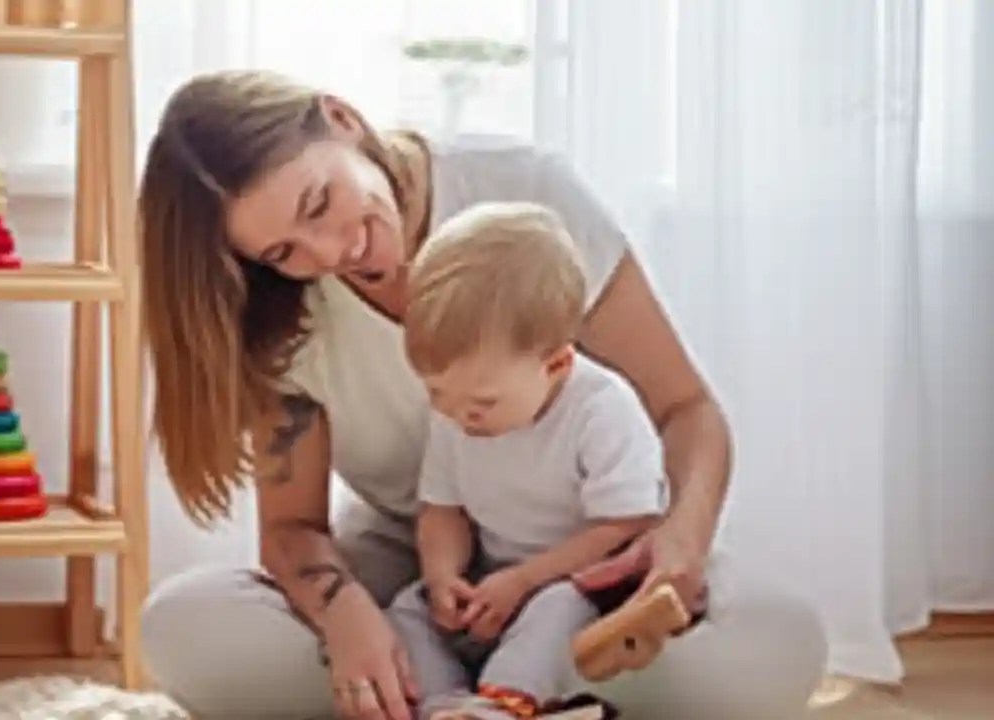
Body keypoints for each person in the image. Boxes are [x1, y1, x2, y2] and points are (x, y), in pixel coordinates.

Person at [137, 69, 828, 720]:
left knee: (775, 646)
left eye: (319, 203)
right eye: (282, 253)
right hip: (413, 563)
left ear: (342, 120)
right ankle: (506, 689)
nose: (328, 253)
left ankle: (464, 689)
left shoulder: (521, 189)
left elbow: (686, 409)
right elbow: (293, 529)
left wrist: (682, 539)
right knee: (185, 625)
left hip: (583, 555)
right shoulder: (279, 311)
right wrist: (350, 622)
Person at [387, 200, 671, 719]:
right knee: (408, 608)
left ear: (556, 364)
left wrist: (526, 581)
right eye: (435, 392)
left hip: (583, 578)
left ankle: (505, 701)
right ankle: (444, 705)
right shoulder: (456, 409)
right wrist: (443, 575)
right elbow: (442, 510)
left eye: (482, 403)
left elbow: (627, 524)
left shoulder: (600, 408)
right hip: (494, 576)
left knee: (557, 608)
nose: (455, 414)